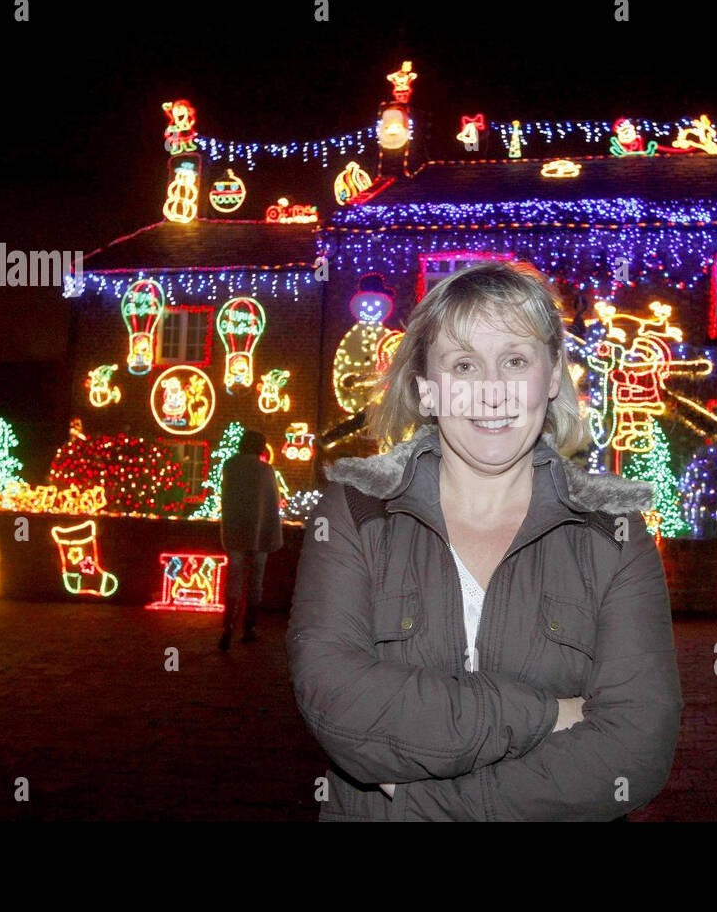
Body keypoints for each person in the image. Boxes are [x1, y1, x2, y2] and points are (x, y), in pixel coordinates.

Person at [286, 261, 683, 820]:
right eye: (464, 364)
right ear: (426, 389)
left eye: (515, 361)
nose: (492, 393)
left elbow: (637, 746)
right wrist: (547, 714)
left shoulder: (611, 530)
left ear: (550, 380)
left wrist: (434, 802)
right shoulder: (357, 510)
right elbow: (337, 700)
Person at [219, 428, 283, 650]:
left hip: (235, 530)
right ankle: (249, 627)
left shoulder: (230, 466)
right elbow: (272, 502)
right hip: (259, 532)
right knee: (255, 581)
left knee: (234, 579)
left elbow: (227, 497)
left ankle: (228, 625)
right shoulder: (265, 470)